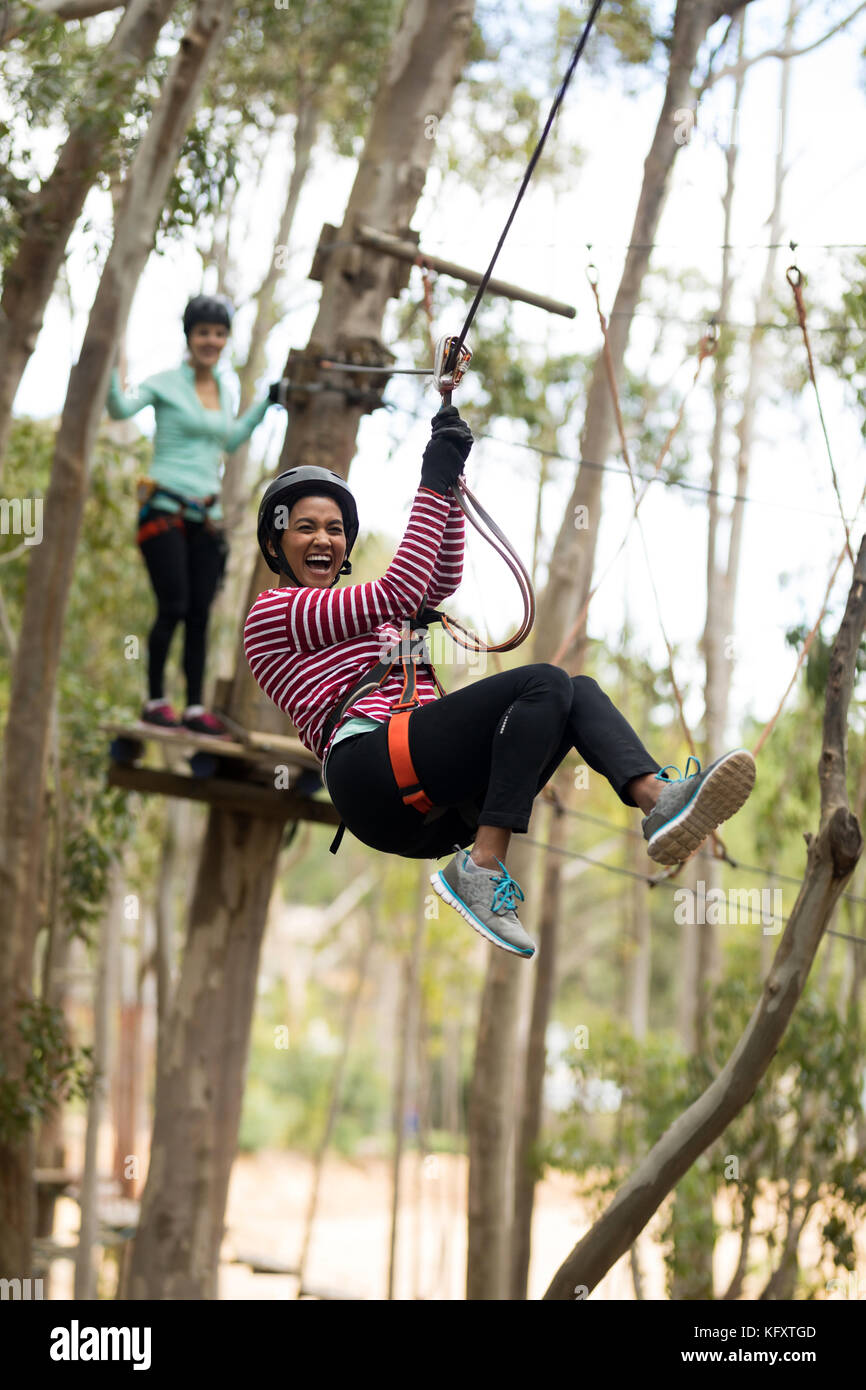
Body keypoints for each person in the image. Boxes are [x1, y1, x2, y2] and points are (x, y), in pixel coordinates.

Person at [244, 407, 756, 959]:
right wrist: (430, 480)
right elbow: (400, 588)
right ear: (276, 545)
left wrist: (452, 483)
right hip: (369, 771)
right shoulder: (275, 611)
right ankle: (484, 866)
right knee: (543, 685)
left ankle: (655, 797)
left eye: (335, 529)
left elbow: (437, 579)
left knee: (575, 690)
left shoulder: (362, 613)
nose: (324, 538)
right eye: (306, 527)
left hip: (432, 808)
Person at [106, 294, 285, 735]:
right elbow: (120, 409)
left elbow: (230, 440)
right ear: (189, 336)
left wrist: (266, 402)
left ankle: (193, 708)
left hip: (206, 515)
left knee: (201, 613)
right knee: (174, 605)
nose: (212, 340)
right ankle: (154, 701)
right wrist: (108, 359)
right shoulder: (165, 382)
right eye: (203, 332)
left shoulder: (224, 390)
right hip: (163, 510)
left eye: (219, 333)